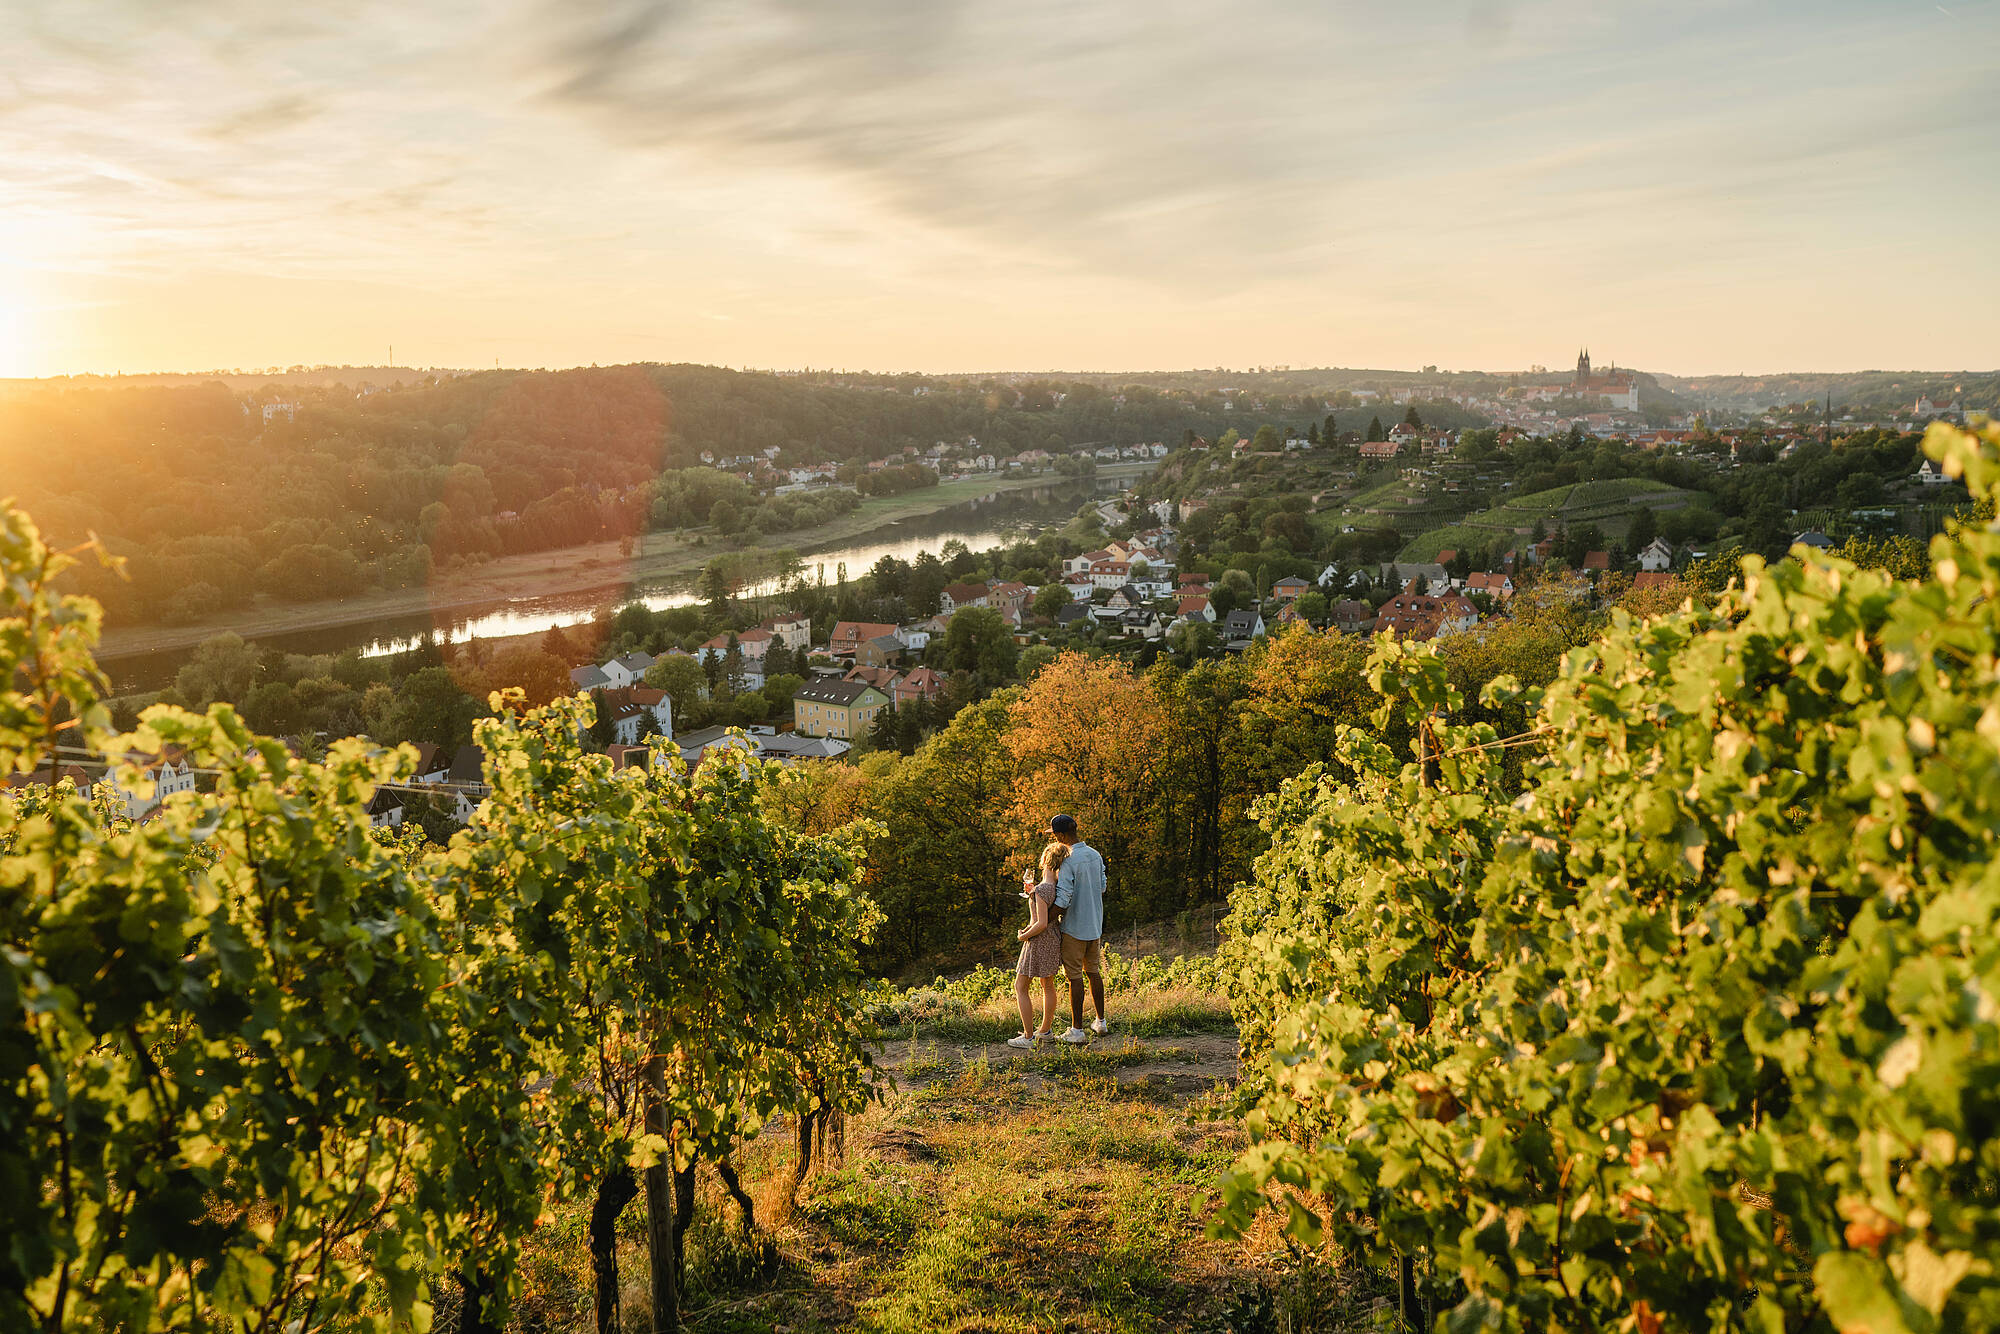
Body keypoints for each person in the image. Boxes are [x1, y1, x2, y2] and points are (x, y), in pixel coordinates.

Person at [1048, 813, 1107, 1043]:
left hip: (1074, 928)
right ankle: (1100, 1022)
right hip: (1094, 924)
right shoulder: (1095, 854)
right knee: (1093, 972)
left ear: (1061, 835)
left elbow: (1063, 899)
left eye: (1054, 835)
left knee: (1074, 978)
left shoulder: (1069, 860)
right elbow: (1102, 887)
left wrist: (1046, 922)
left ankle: (1077, 1030)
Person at [1006, 841, 1068, 1049]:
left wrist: (1024, 936)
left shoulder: (1042, 890)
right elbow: (1043, 918)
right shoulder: (1056, 888)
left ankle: (1028, 1036)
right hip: (1053, 939)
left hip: (1039, 941)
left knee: (1020, 986)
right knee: (1047, 985)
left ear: (1044, 861)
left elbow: (1040, 923)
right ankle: (1045, 1032)